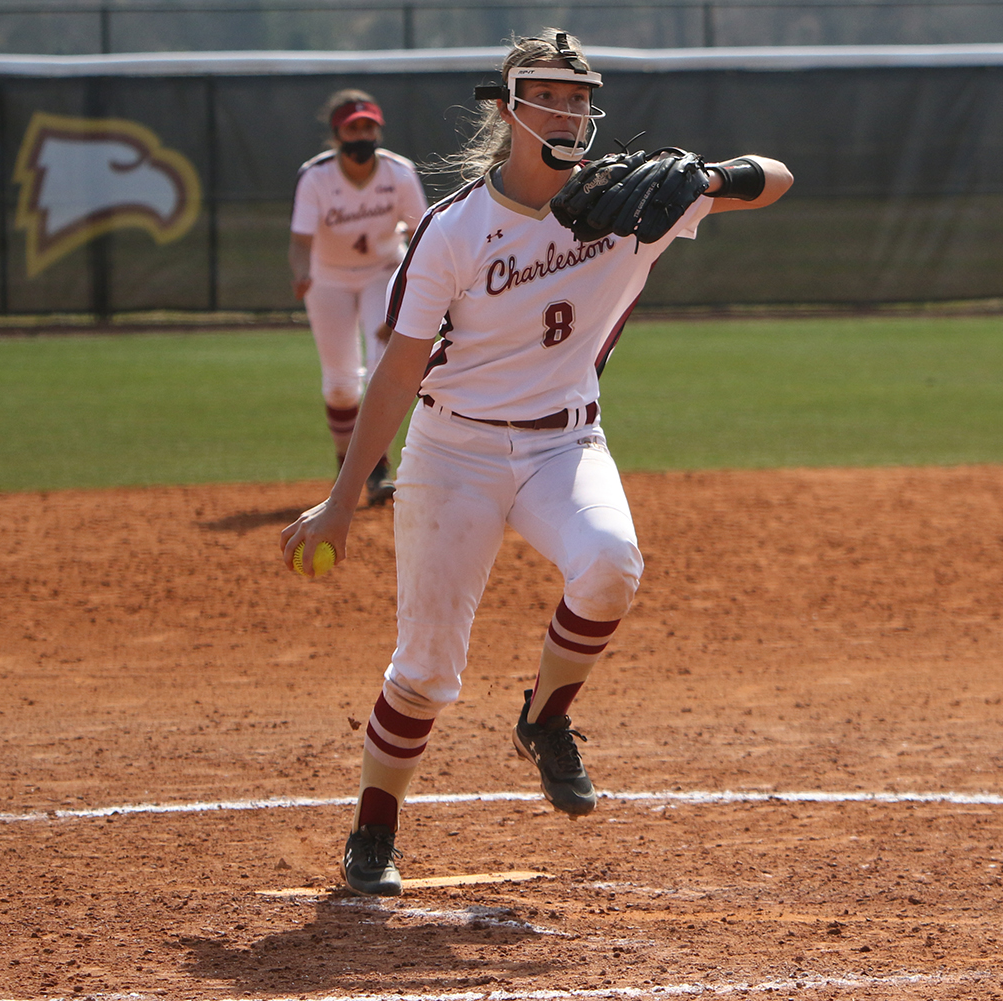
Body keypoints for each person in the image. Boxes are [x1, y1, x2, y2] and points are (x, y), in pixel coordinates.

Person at [281, 30, 792, 896]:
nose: (566, 111)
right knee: (426, 668)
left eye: (579, 97)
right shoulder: (455, 229)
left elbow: (777, 179)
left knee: (611, 563)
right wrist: (341, 498)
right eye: (547, 96)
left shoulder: (634, 203)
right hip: (454, 450)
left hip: (566, 442)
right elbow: (397, 371)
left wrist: (706, 177)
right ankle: (374, 828)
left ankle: (545, 718)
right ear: (510, 110)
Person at [289, 89, 429, 505]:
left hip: (383, 272)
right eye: (353, 128)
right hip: (327, 278)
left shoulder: (398, 173)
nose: (362, 135)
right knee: (339, 384)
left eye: (369, 127)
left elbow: (422, 236)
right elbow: (300, 241)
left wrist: (405, 297)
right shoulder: (316, 177)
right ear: (337, 134)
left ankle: (376, 469)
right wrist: (300, 272)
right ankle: (345, 460)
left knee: (382, 370)